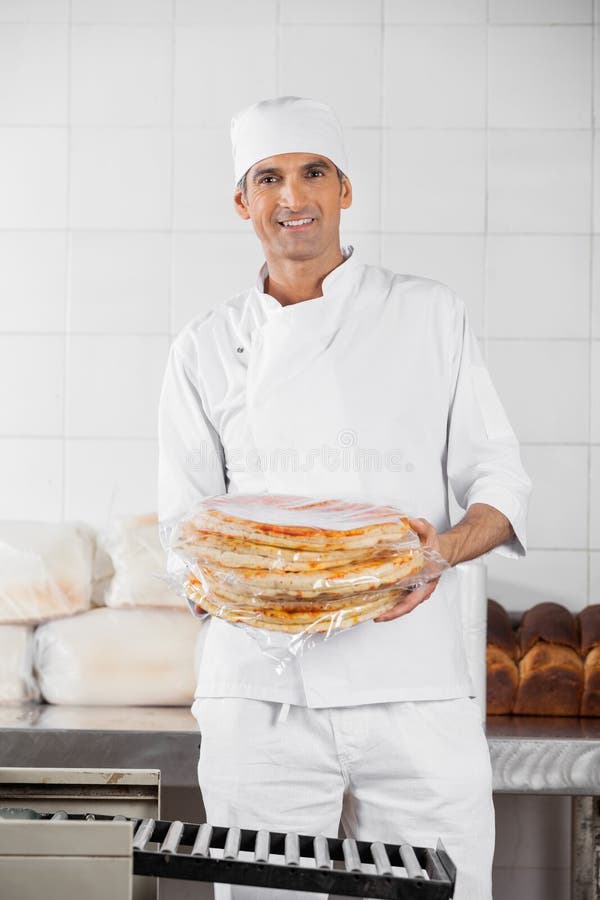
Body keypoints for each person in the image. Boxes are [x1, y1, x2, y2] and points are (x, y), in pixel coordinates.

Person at [157, 96, 531, 900]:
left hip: (415, 684)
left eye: (312, 173)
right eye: (269, 178)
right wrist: (265, 593)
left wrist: (438, 552)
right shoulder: (203, 347)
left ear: (344, 189)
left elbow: (500, 483)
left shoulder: (429, 314)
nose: (293, 198)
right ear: (242, 202)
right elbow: (181, 531)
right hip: (261, 695)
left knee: (445, 890)